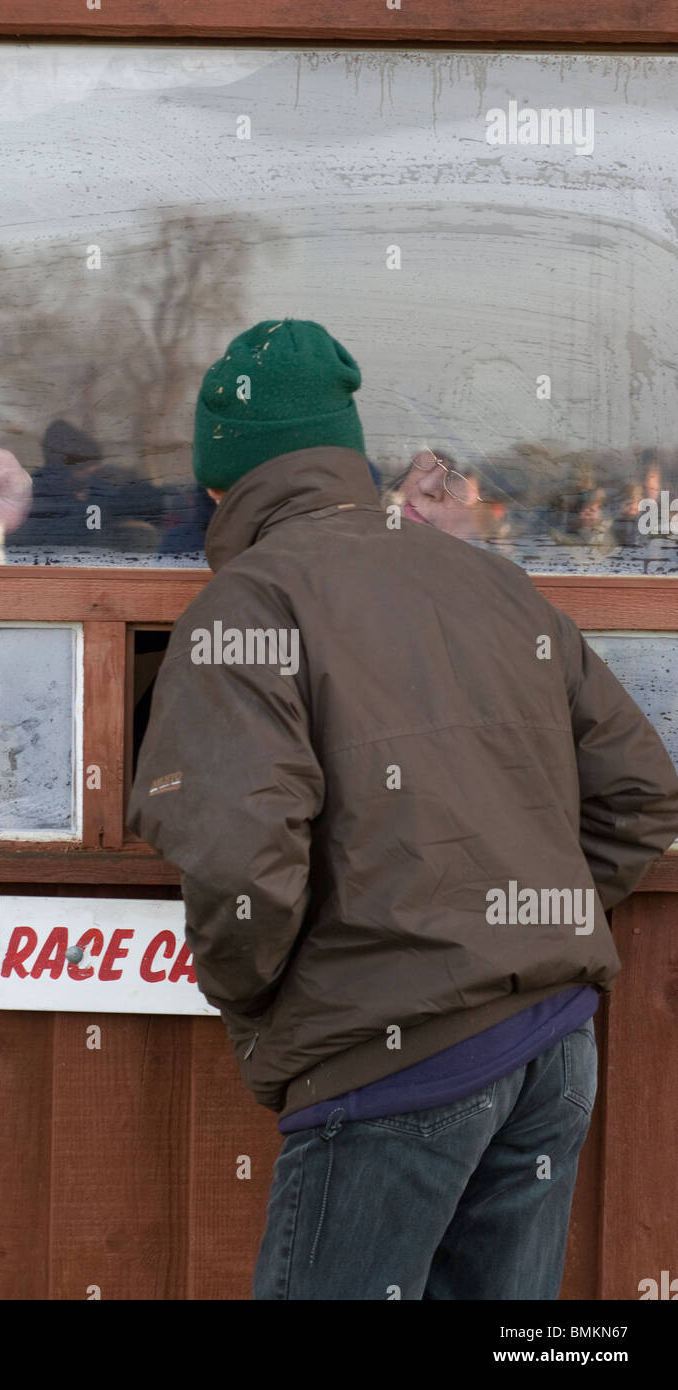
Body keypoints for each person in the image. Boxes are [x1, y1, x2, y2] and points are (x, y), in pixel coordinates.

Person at [125, 317, 678, 1301]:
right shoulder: (490, 582)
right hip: (551, 1049)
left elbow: (239, 863)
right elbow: (639, 791)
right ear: (346, 458)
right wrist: (525, 920)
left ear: (220, 485)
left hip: (390, 1062)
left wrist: (261, 996)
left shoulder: (246, 606)